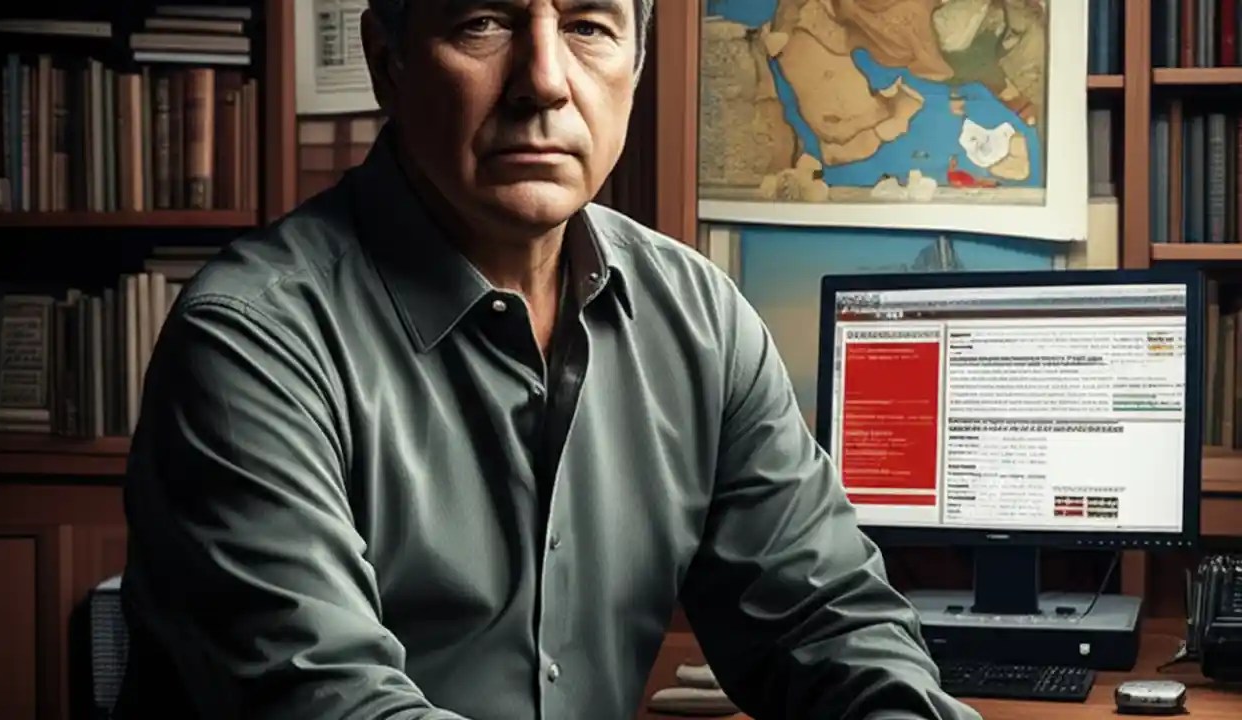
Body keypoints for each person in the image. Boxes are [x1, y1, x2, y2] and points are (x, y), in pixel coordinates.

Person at [115, 1, 982, 718]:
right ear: (390, 62)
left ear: (635, 72)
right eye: (484, 23)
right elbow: (331, 702)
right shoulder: (250, 341)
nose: (543, 81)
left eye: (589, 26)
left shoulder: (700, 318)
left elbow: (826, 623)